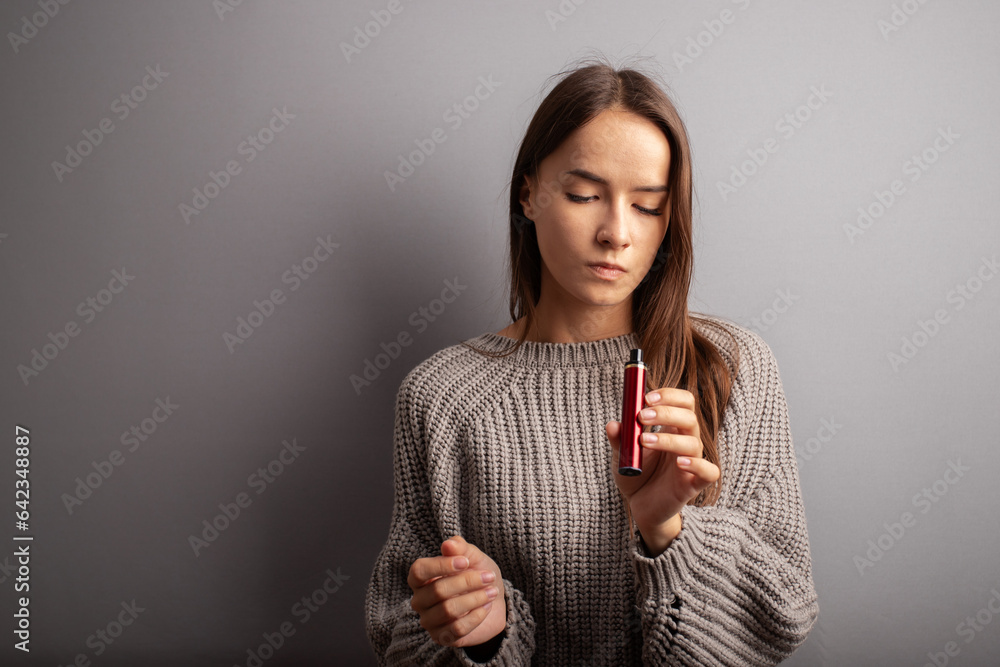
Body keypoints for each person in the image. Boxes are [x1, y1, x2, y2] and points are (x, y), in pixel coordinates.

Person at [364, 57, 819, 666]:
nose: (616, 233)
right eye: (584, 195)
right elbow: (401, 631)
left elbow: (779, 619)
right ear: (529, 194)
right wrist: (483, 633)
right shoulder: (442, 395)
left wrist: (667, 534)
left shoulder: (734, 367)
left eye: (648, 206)